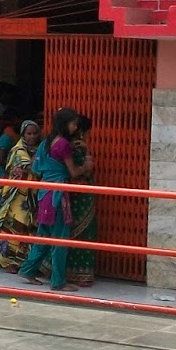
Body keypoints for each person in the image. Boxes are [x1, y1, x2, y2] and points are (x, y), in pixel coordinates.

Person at [18, 108, 75, 292]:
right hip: (58, 195)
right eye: (73, 123)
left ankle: (28, 270)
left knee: (43, 236)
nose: (75, 127)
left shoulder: (46, 143)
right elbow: (73, 172)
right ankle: (58, 282)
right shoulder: (63, 144)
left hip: (44, 194)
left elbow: (36, 169)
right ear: (66, 124)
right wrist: (86, 167)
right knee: (60, 237)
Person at [0, 120, 42, 271]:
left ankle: (24, 263)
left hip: (32, 196)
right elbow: (31, 168)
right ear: (23, 135)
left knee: (28, 228)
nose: (32, 136)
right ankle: (8, 262)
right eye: (29, 133)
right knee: (13, 228)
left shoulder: (39, 150)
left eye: (35, 133)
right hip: (16, 197)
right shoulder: (18, 151)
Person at [63, 112, 98, 288]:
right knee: (83, 234)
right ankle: (78, 274)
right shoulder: (77, 148)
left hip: (75, 195)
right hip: (80, 196)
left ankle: (69, 272)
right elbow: (85, 168)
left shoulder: (69, 146)